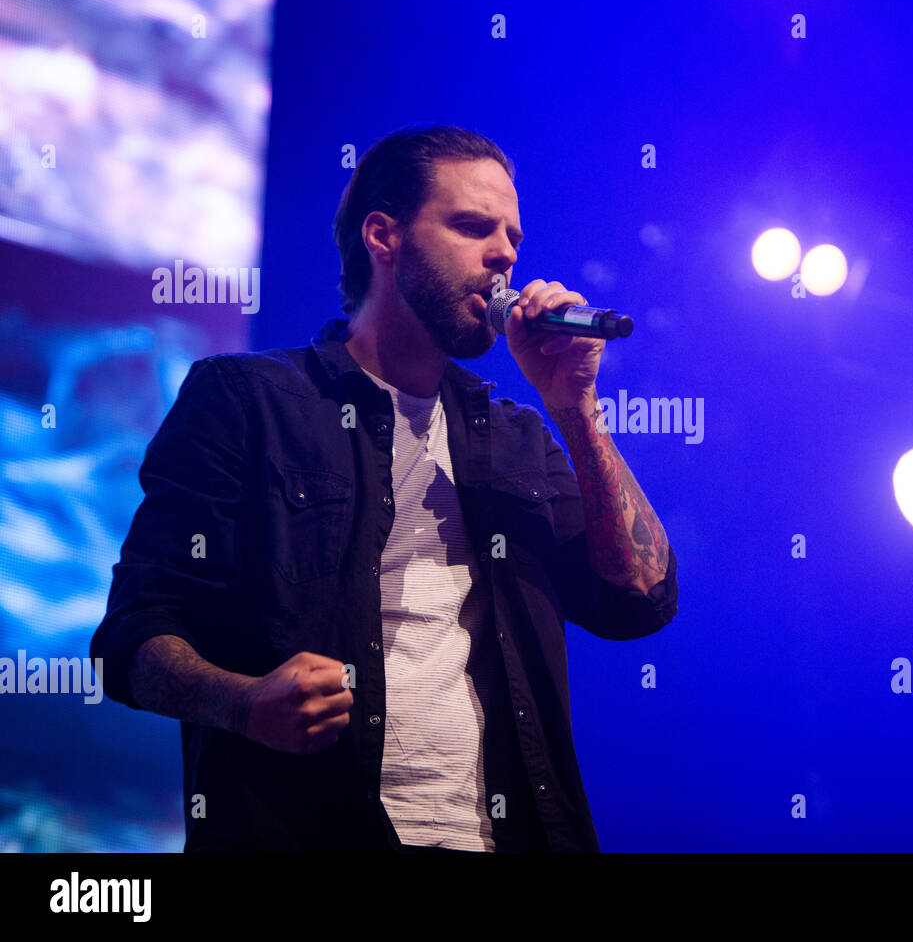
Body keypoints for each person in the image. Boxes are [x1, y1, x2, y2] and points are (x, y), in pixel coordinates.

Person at [89, 125, 679, 852]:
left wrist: (574, 408)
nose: (505, 256)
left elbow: (638, 601)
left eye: (513, 237)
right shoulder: (248, 402)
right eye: (472, 227)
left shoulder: (518, 436)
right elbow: (132, 640)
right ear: (383, 236)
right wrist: (244, 704)